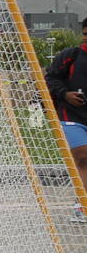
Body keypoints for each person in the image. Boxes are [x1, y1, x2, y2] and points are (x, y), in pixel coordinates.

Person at [45, 19, 87, 220]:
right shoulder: (71, 55)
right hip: (72, 116)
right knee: (82, 158)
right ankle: (82, 205)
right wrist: (65, 94)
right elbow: (51, 78)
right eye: (86, 34)